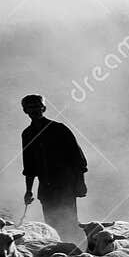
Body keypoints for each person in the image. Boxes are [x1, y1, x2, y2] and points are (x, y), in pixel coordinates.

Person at [20, 95, 88, 239]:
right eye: (30, 107)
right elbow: (29, 165)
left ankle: (75, 252)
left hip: (65, 184)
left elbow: (77, 157)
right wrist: (28, 191)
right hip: (46, 187)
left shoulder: (58, 128)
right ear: (25, 110)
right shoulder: (27, 134)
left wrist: (80, 182)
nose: (34, 110)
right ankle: (60, 253)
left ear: (43, 108)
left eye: (37, 106)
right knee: (51, 224)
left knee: (69, 220)